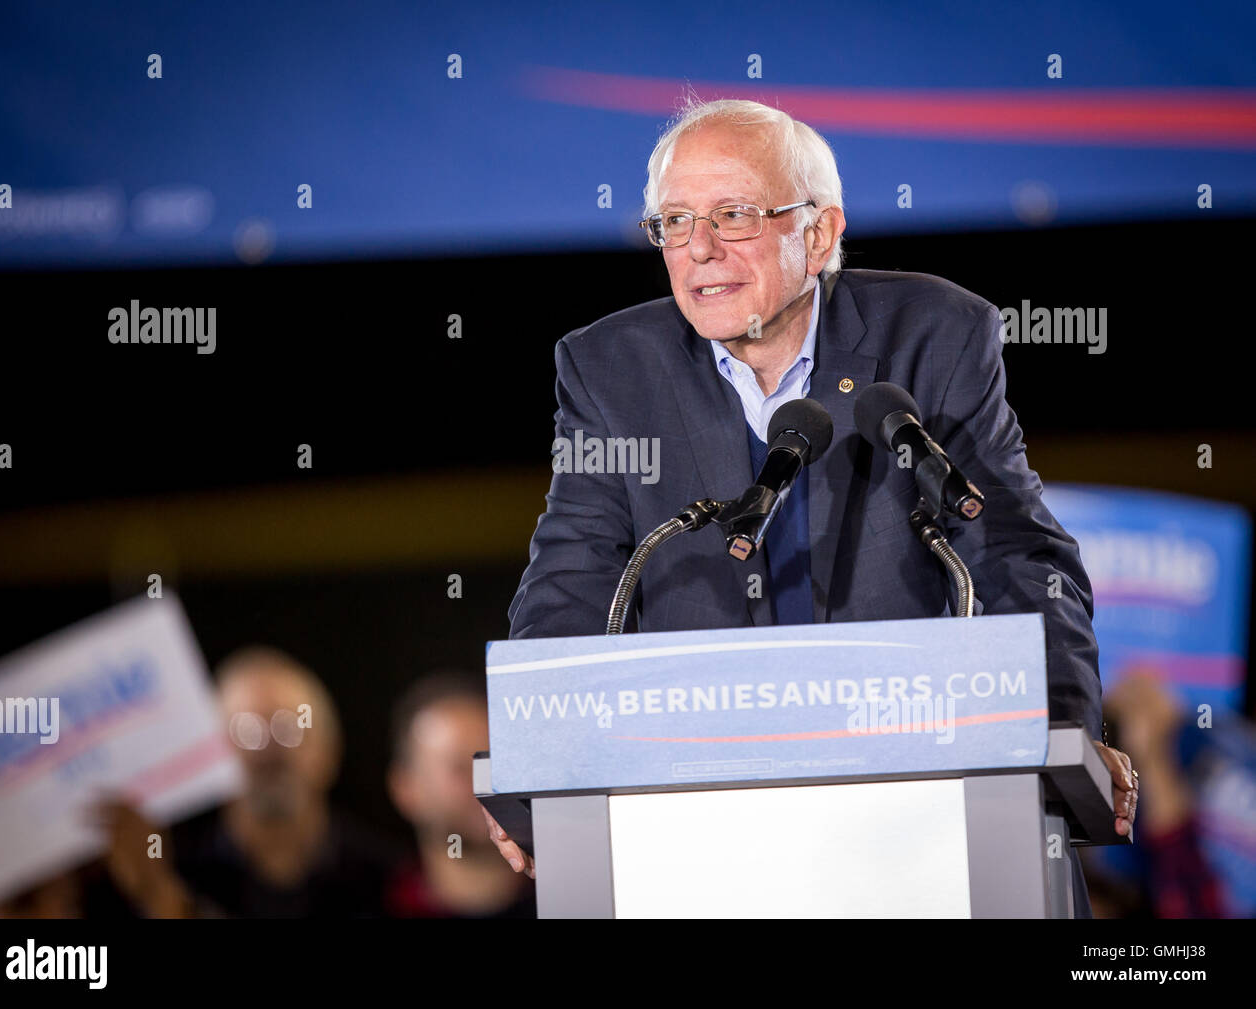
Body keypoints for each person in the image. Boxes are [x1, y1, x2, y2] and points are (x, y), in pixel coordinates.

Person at [492, 97, 1138, 914]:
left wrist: (1064, 731)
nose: (698, 248)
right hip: (704, 827)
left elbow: (1012, 551)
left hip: (927, 805)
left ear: (821, 233)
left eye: (733, 215)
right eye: (674, 221)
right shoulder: (610, 368)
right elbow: (573, 576)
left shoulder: (933, 332)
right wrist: (538, 764)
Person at [93, 645, 393, 917]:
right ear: (210, 755)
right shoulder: (169, 879)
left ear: (330, 750)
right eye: (246, 732)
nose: (268, 750)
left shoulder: (394, 886)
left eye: (289, 728)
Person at [386, 673, 534, 917]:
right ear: (405, 789)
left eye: (493, 761)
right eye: (459, 768)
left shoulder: (575, 900)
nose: (485, 782)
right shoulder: (370, 902)